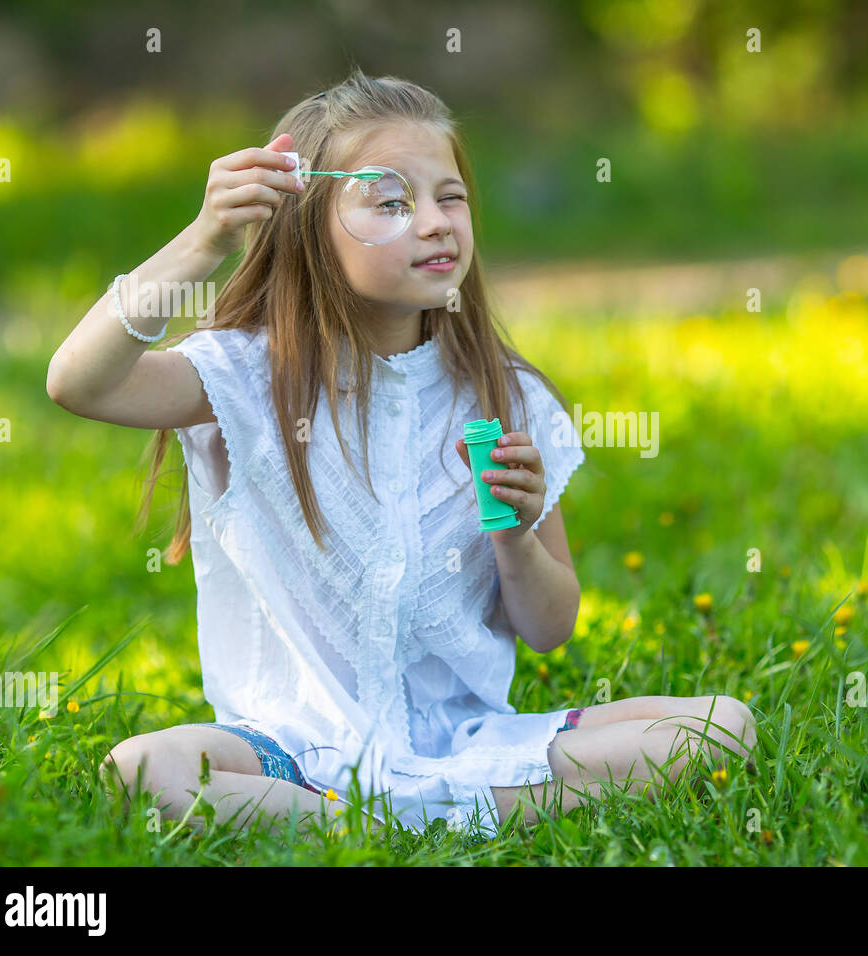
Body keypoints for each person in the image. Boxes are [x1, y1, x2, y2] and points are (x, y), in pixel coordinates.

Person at [46, 66, 756, 841]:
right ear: (306, 226)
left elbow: (550, 626)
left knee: (725, 727)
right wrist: (203, 240)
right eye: (390, 201)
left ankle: (376, 827)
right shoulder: (245, 376)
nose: (434, 221)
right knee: (145, 770)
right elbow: (78, 383)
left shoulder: (506, 395)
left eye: (449, 196)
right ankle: (447, 822)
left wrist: (516, 539)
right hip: (290, 752)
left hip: (467, 741)